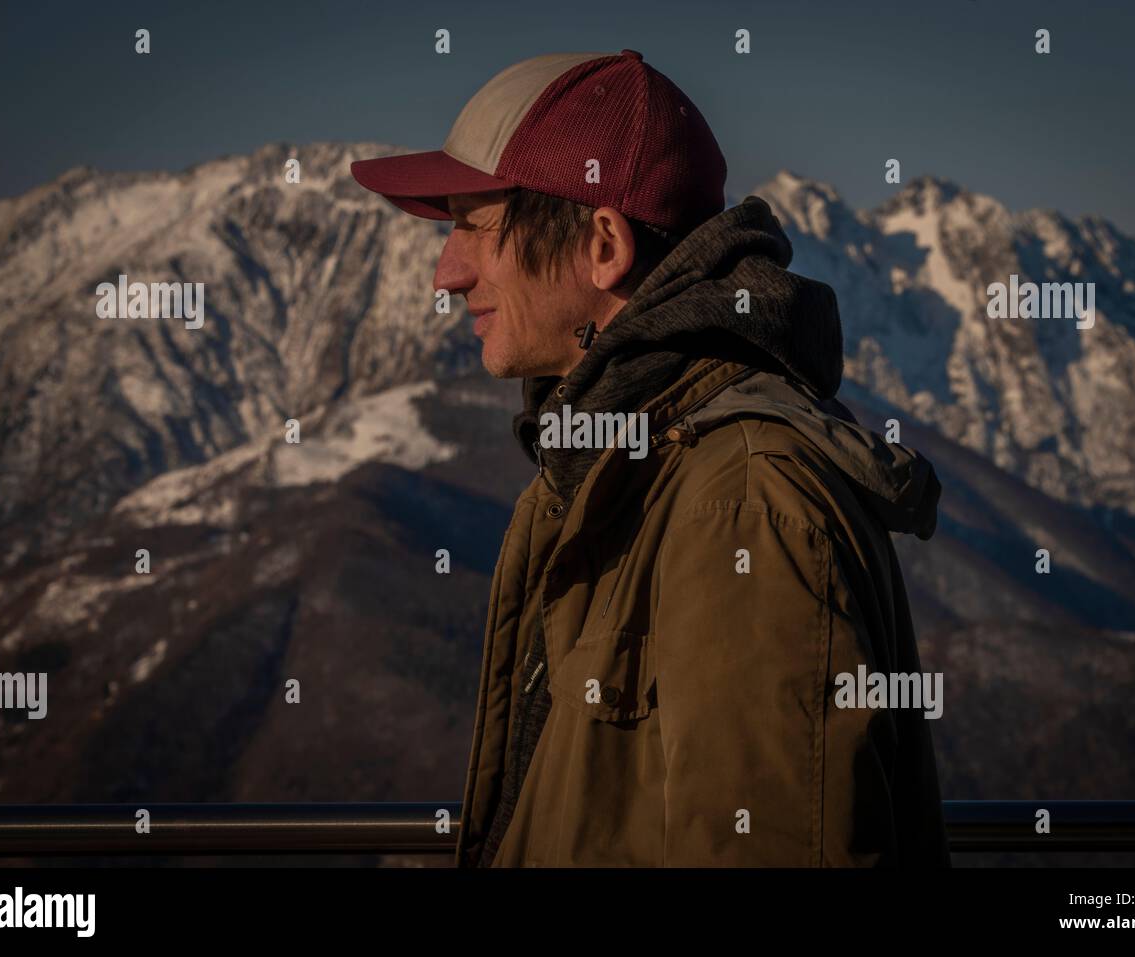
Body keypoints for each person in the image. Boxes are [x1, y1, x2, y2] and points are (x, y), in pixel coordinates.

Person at [351, 49, 949, 867]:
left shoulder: (740, 502)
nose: (445, 273)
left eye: (471, 225)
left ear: (604, 246)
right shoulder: (615, 464)